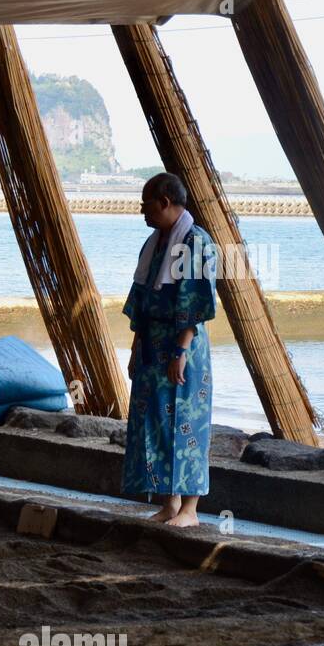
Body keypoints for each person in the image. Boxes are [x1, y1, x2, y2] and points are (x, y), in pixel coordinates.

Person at [122, 172, 218, 527]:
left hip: (183, 347)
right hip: (151, 344)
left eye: (145, 204)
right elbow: (142, 298)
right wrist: (135, 346)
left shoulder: (196, 242)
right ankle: (168, 503)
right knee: (154, 422)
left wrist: (180, 350)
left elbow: (196, 301)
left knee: (186, 422)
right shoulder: (155, 243)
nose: (141, 211)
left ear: (164, 202)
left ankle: (190, 511)